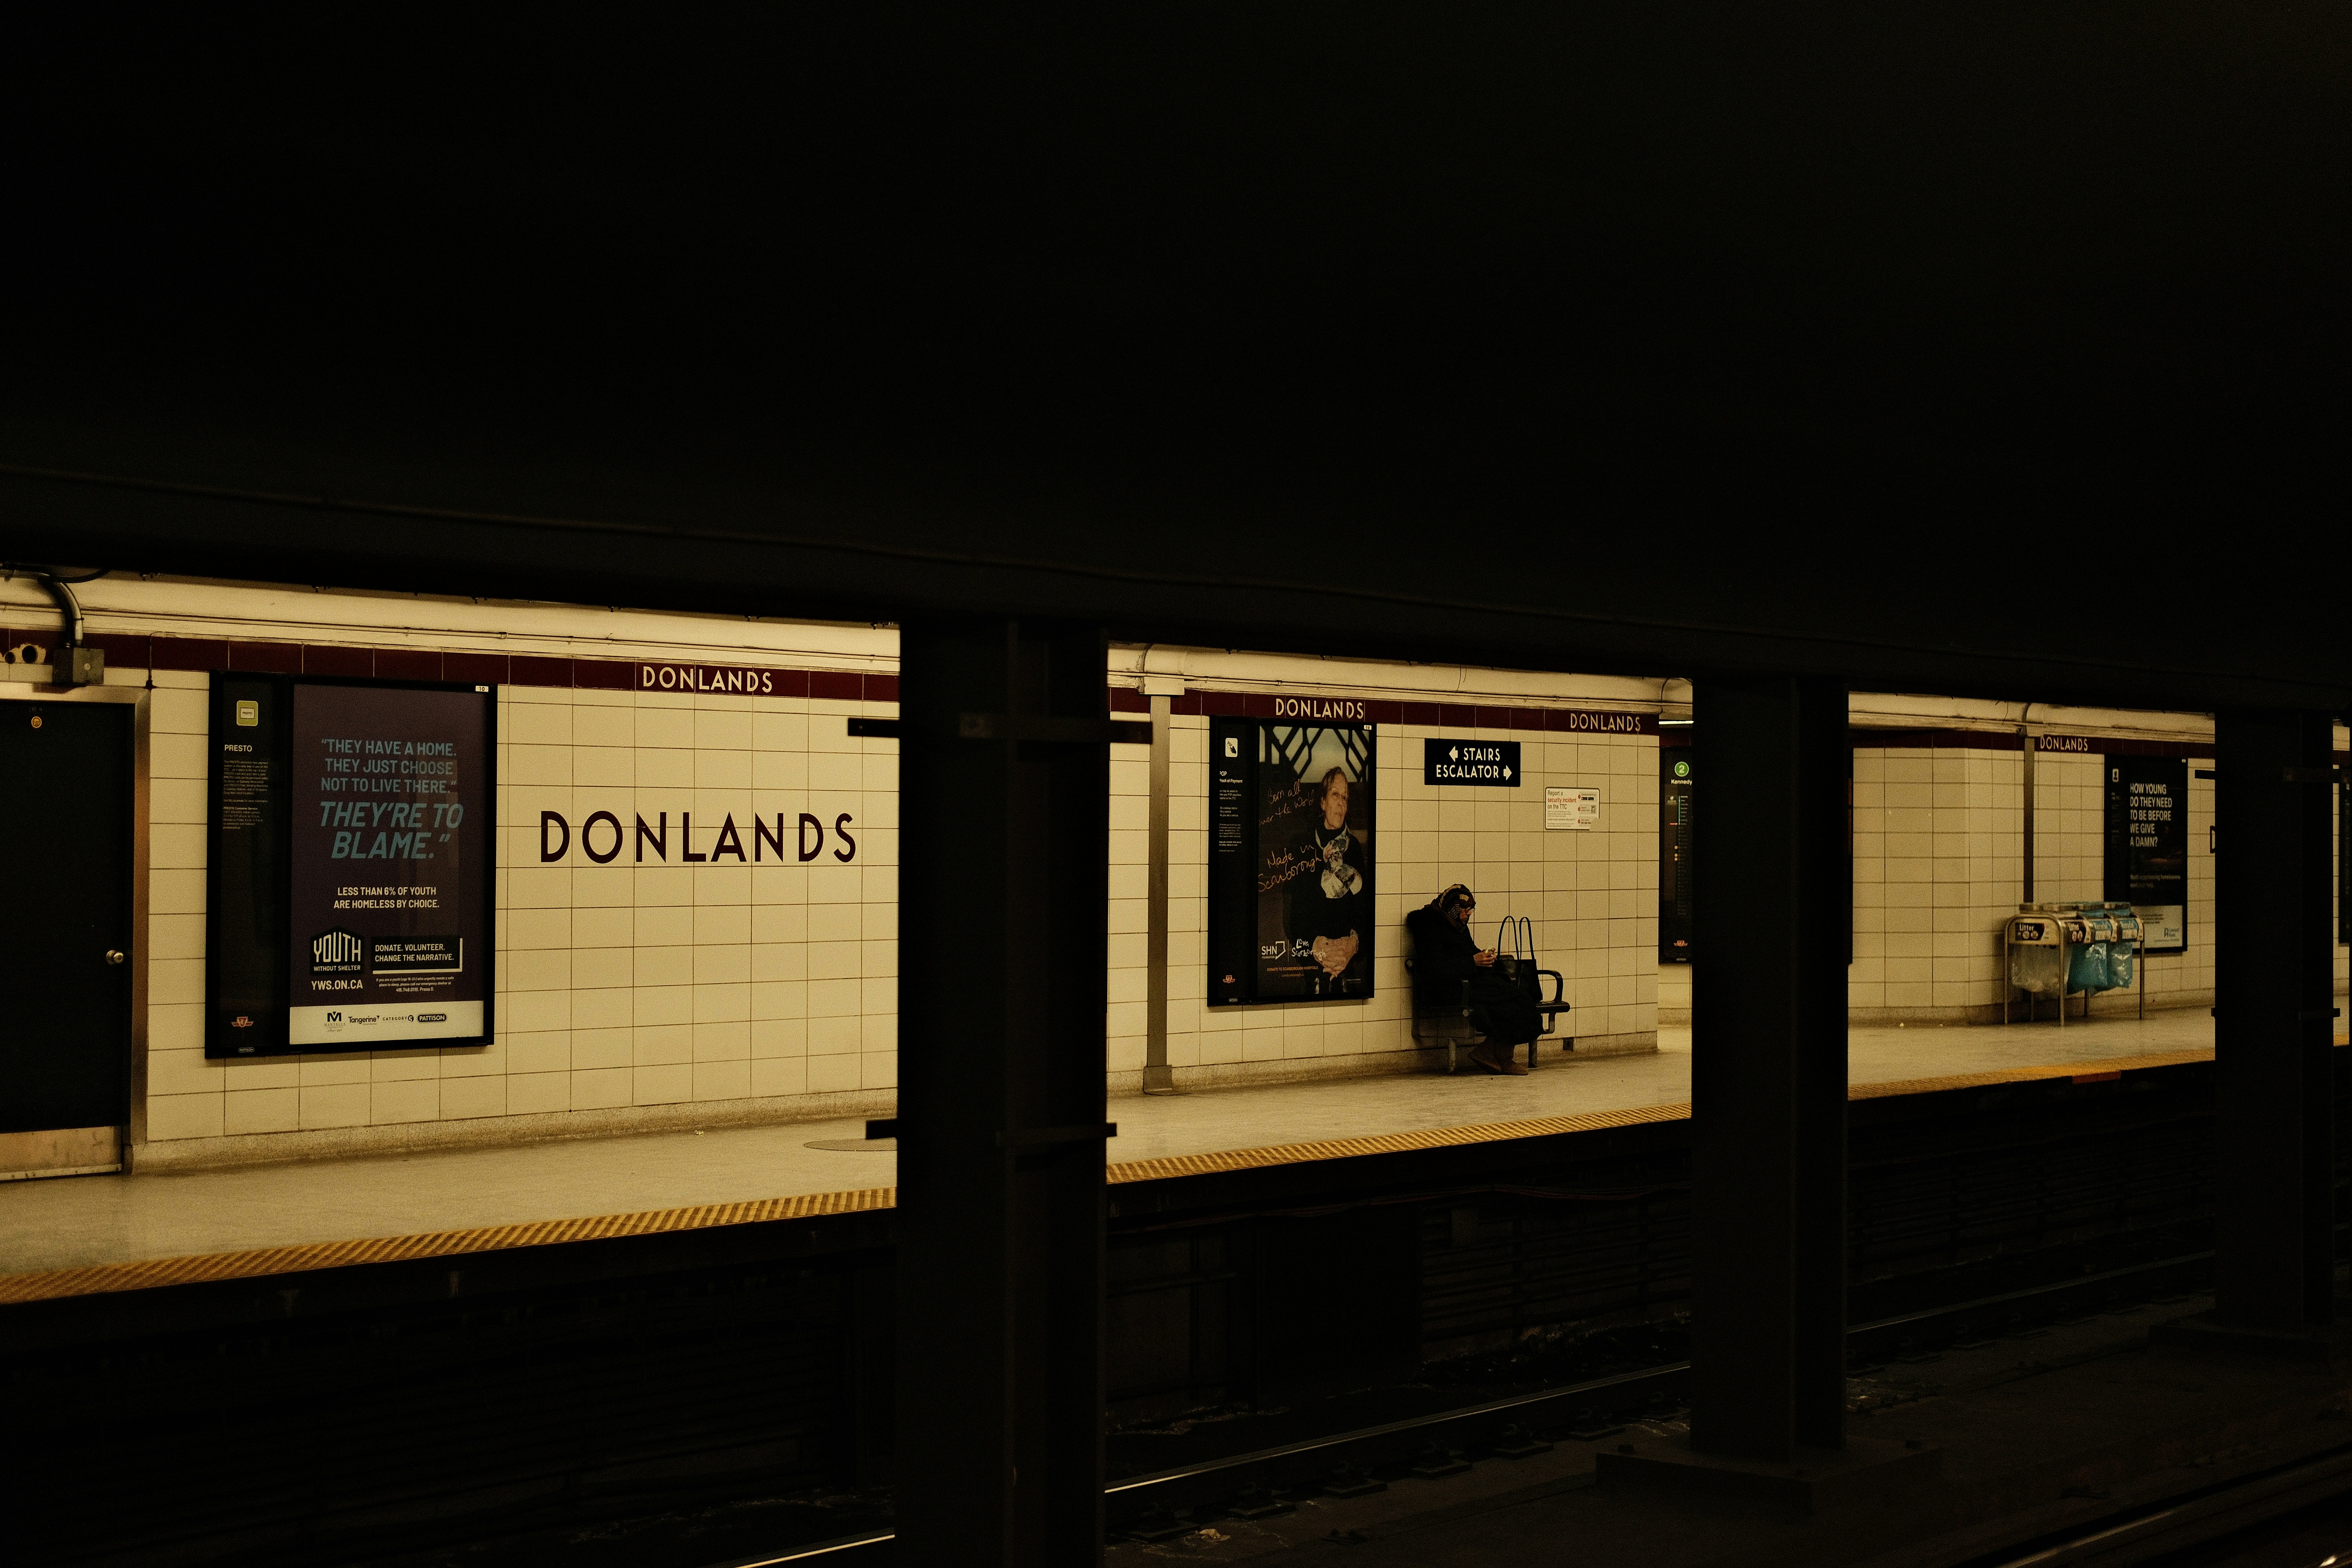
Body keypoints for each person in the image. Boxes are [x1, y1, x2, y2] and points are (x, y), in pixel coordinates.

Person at [1404, 884, 1538, 1075]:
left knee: (1519, 997)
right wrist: (1472, 962)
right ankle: (1500, 1057)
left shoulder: (1457, 926)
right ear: (1454, 908)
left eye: (1470, 911)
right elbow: (1433, 968)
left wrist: (1485, 957)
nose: (1468, 915)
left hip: (1468, 980)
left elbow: (1469, 953)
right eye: (1466, 910)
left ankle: (1497, 1054)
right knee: (1510, 999)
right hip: (1448, 986)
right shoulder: (1428, 927)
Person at [1287, 767, 1370, 993]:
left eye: (1345, 798)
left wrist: (1353, 943)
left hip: (1346, 965)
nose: (1341, 803)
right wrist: (1315, 947)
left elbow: (1364, 909)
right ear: (1323, 803)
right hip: (1314, 967)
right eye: (1335, 795)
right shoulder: (1302, 845)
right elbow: (1293, 916)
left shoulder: (1353, 848)